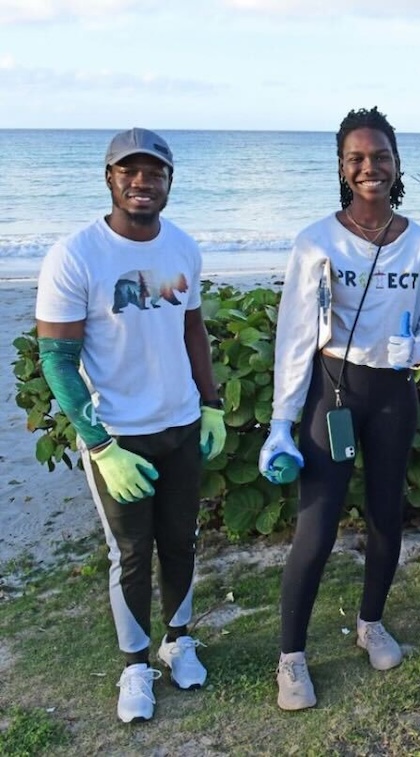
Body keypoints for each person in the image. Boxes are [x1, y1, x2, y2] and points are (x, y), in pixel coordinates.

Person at [259, 107, 420, 710]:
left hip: (392, 394)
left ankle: (371, 623)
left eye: (381, 157)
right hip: (332, 390)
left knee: (386, 518)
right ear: (342, 169)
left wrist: (417, 349)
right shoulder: (316, 240)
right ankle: (291, 657)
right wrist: (281, 424)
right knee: (315, 528)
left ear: (397, 165)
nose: (370, 167)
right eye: (357, 158)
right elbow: (295, 335)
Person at [35, 128, 224, 723]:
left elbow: (192, 329)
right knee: (132, 552)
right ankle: (135, 667)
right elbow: (57, 359)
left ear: (170, 181)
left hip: (181, 423)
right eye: (130, 171)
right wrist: (101, 446)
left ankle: (178, 640)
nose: (143, 183)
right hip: (118, 433)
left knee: (182, 541)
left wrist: (211, 403)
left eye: (155, 173)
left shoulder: (183, 248)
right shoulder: (76, 255)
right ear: (109, 177)